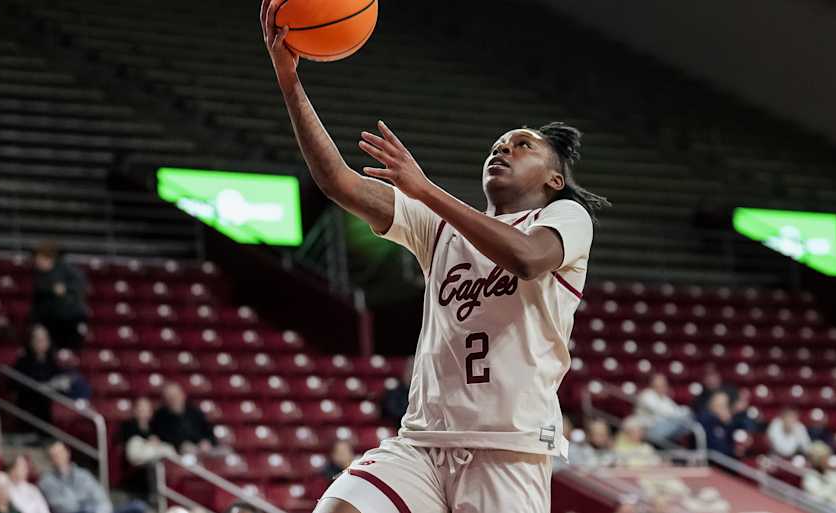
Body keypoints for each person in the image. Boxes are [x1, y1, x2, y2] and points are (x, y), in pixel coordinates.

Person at [261, 3, 610, 511]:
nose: (504, 149)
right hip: (422, 444)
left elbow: (528, 260)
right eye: (498, 144)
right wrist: (290, 81)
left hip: (507, 452)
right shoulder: (439, 226)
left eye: (522, 146)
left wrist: (426, 190)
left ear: (555, 181)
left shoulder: (564, 220)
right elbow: (338, 181)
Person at [30, 241, 88, 351]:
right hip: (50, 322)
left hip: (69, 320)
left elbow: (80, 286)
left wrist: (65, 289)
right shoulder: (39, 276)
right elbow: (38, 302)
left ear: (48, 258)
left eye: (40, 259)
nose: (37, 262)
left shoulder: (67, 270)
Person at [37, 440, 112, 513]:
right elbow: (66, 507)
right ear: (50, 459)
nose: (59, 457)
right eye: (54, 455)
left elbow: (102, 500)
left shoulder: (83, 474)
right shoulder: (46, 481)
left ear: (68, 453)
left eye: (61, 453)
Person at [13, 325, 63, 429]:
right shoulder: (23, 362)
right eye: (38, 339)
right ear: (31, 341)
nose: (41, 343)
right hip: (31, 404)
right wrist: (42, 387)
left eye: (44, 339)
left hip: (51, 399)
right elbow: (19, 385)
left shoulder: (52, 361)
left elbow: (60, 378)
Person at [150, 384, 216, 454]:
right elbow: (161, 438)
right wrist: (180, 445)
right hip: (176, 452)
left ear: (183, 395)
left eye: (175, 396)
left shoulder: (195, 412)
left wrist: (206, 442)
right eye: (170, 397)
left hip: (200, 449)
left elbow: (209, 433)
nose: (173, 399)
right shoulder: (160, 416)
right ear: (165, 399)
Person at [634, 373, 692, 443]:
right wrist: (682, 413)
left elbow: (676, 410)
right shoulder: (646, 395)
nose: (662, 387)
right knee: (682, 420)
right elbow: (664, 412)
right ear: (652, 385)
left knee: (688, 419)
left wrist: (685, 412)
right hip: (648, 429)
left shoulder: (665, 398)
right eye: (658, 385)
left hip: (664, 427)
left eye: (663, 385)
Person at [120, 397, 176, 466]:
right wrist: (147, 442)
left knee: (167, 449)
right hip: (139, 462)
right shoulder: (127, 426)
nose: (143, 411)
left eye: (146, 409)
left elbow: (164, 442)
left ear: (151, 412)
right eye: (140, 409)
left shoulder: (156, 427)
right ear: (134, 411)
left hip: (155, 457)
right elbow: (131, 447)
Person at [697, 392, 737, 458]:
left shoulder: (726, 422)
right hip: (710, 459)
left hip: (726, 460)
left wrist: (727, 424)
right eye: (720, 405)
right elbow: (714, 447)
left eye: (725, 406)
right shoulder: (706, 419)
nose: (723, 409)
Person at [381, 357, 412, 424]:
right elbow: (392, 412)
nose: (412, 373)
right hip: (398, 426)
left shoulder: (424, 392)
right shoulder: (394, 391)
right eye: (410, 369)